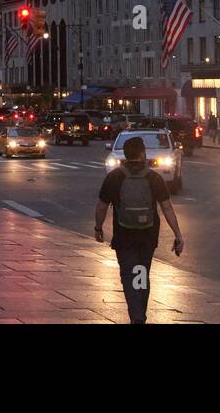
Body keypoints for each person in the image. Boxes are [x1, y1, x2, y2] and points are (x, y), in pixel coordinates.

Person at [94, 135, 185, 324]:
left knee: (129, 276)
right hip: (147, 235)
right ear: (143, 154)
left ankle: (136, 315)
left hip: (124, 236)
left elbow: (102, 206)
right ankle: (140, 315)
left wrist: (98, 228)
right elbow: (167, 207)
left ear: (126, 155)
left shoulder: (115, 177)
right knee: (142, 273)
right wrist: (177, 234)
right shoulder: (154, 177)